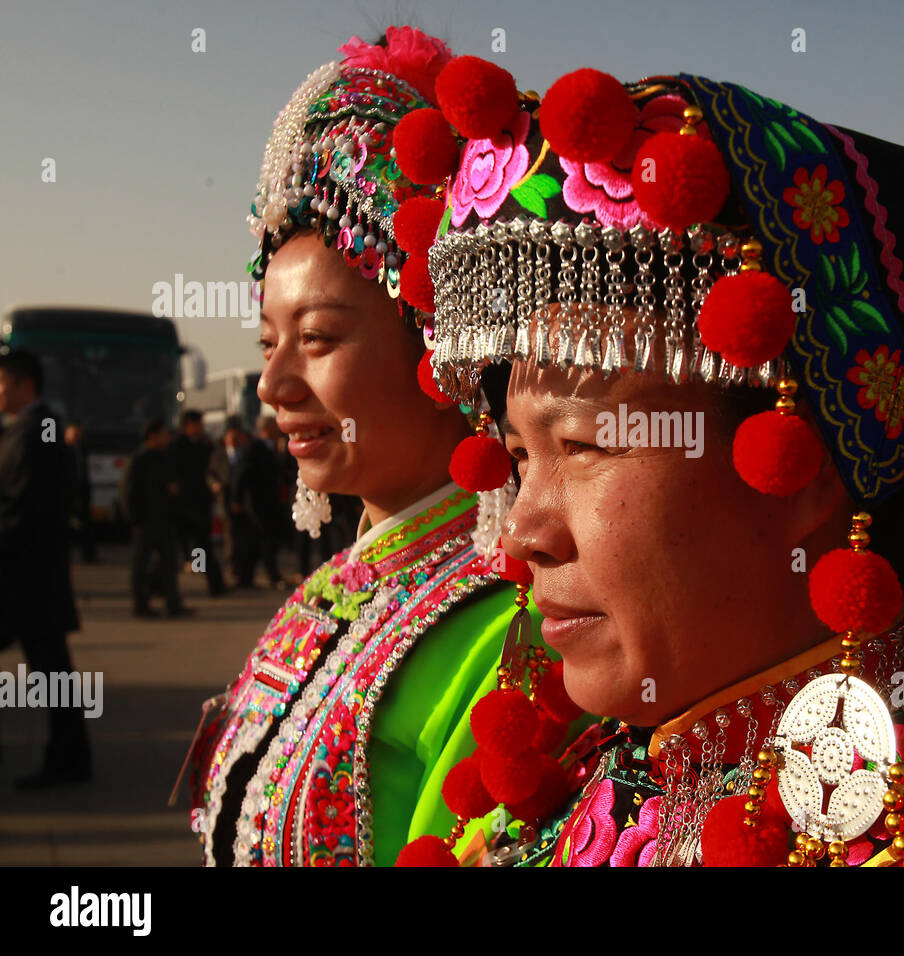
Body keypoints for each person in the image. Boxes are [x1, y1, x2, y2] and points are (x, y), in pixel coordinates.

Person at [393, 62, 904, 867]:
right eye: (517, 457)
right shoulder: (586, 783)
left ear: (806, 468)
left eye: (583, 445)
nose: (524, 532)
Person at [187, 26, 567, 868]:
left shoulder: (520, 626)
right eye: (265, 345)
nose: (273, 385)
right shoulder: (340, 583)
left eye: (317, 339)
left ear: (440, 356)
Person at [0, 349, 89, 788]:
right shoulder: (31, 428)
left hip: (28, 576)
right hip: (30, 576)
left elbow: (26, 505)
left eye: (2, 381)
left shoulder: (38, 429)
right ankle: (69, 757)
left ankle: (69, 760)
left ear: (23, 384)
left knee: (53, 672)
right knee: (53, 671)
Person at [120, 419, 189, 619]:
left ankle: (173, 603)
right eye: (164, 433)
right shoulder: (139, 460)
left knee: (169, 564)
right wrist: (134, 520)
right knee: (141, 565)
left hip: (165, 520)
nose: (168, 437)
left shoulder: (165, 458)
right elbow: (128, 493)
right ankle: (141, 605)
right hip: (145, 522)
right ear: (153, 436)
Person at [225, 418, 283, 589]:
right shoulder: (255, 448)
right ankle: (260, 576)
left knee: (261, 540)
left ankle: (251, 577)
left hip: (268, 502)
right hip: (257, 503)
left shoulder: (273, 447)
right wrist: (236, 499)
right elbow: (241, 476)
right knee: (261, 540)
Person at [173, 410, 226, 596]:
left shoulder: (204, 445)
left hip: (199, 505)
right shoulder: (176, 446)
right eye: (198, 424)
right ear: (188, 425)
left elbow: (212, 469)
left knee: (202, 545)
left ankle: (212, 582)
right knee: (171, 548)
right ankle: (158, 586)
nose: (201, 428)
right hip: (180, 506)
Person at [63, 423, 96, 563]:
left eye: (78, 434)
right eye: (73, 434)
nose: (76, 437)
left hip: (82, 490)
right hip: (67, 491)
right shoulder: (62, 450)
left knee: (85, 525)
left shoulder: (83, 449)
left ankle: (88, 556)